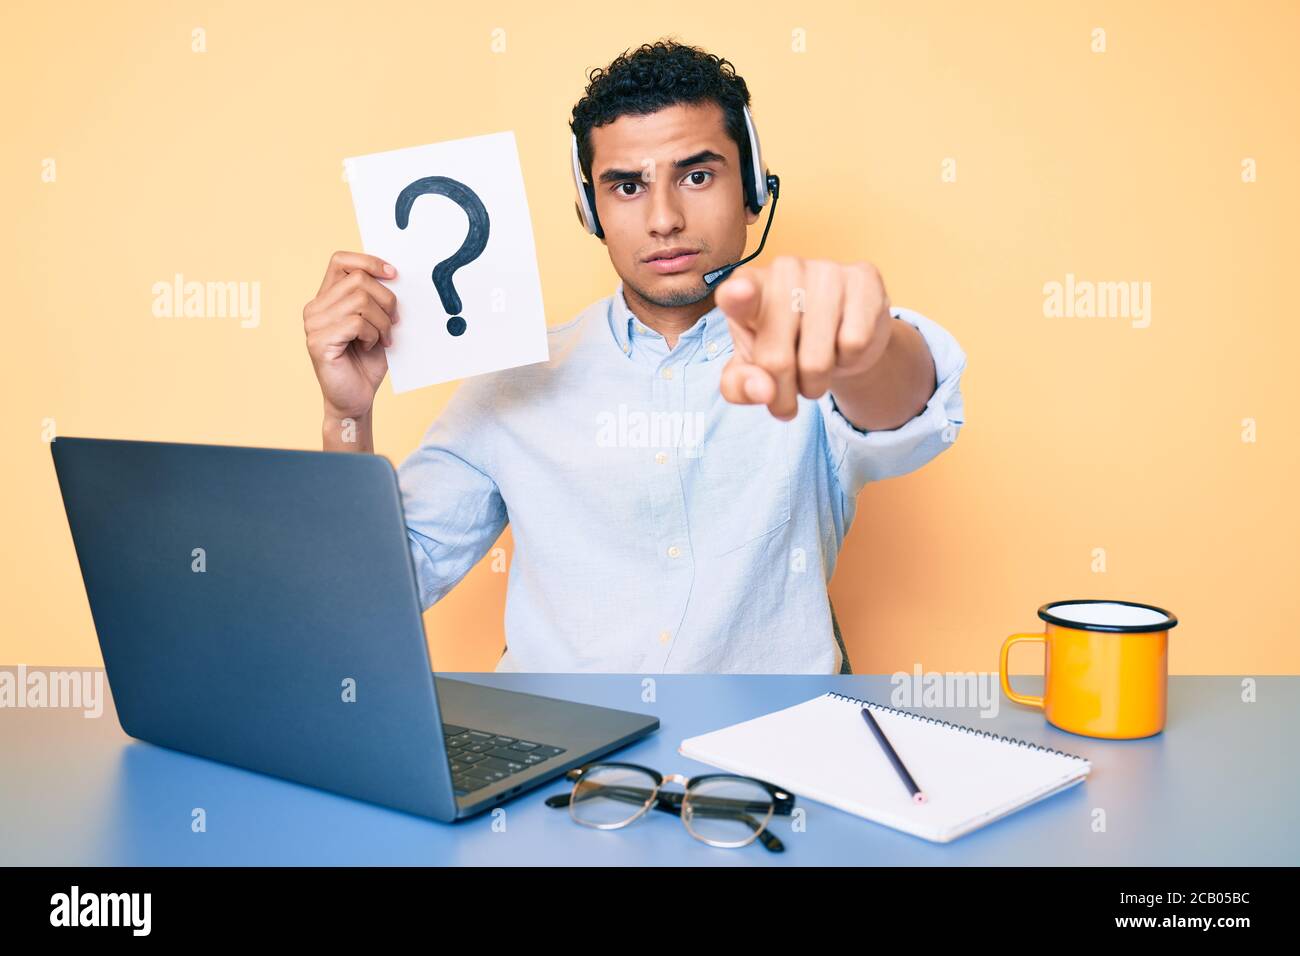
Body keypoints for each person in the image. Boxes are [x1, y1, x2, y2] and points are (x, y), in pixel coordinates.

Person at [302, 39, 967, 674]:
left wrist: (868, 342)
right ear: (590, 209)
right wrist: (346, 414)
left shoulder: (813, 345)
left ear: (753, 188)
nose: (663, 219)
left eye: (697, 175)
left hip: (764, 754)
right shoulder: (509, 380)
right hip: (558, 756)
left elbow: (906, 412)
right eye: (626, 187)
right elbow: (374, 594)